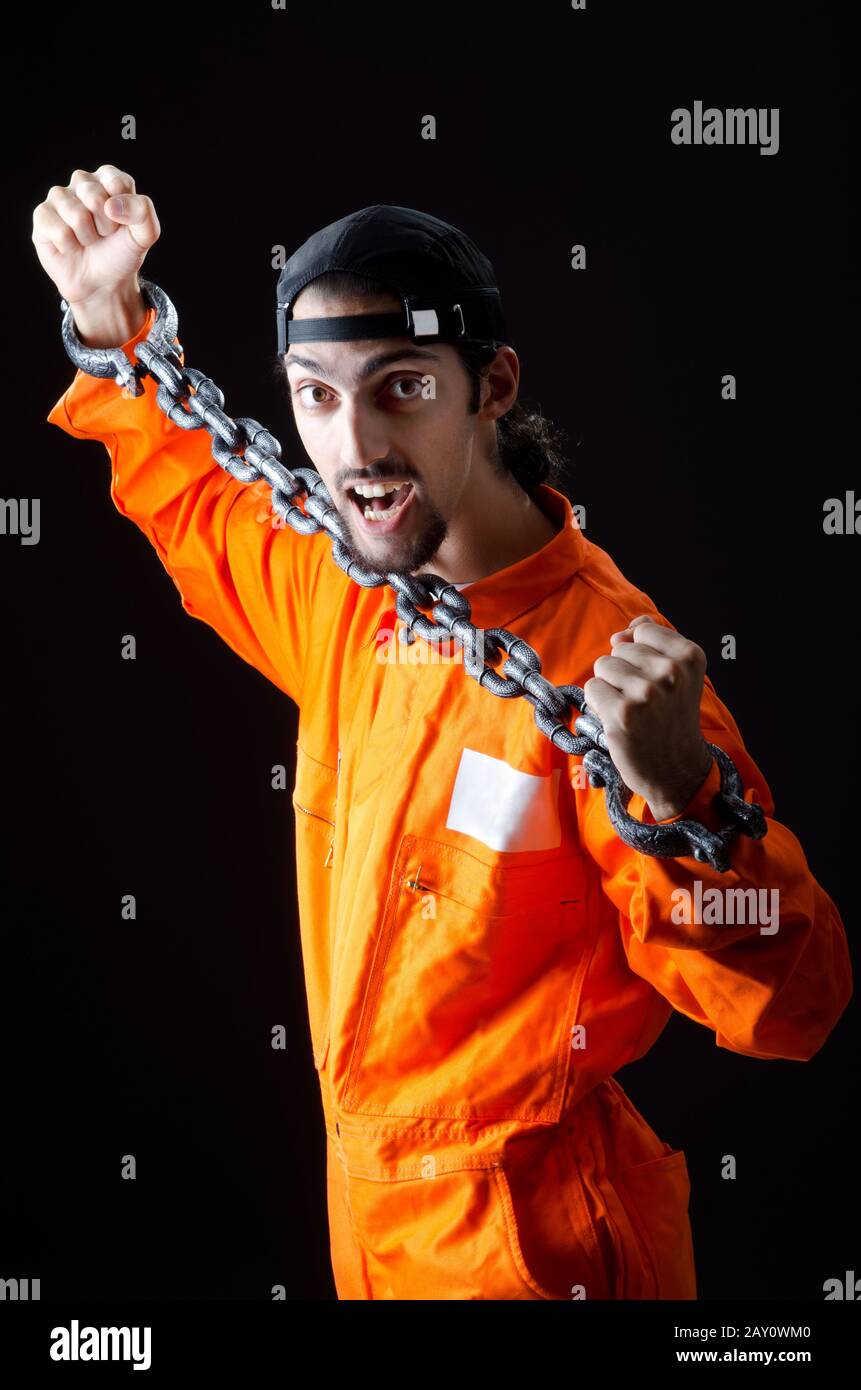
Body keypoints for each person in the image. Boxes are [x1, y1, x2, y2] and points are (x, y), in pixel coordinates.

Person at [34, 164, 853, 1300]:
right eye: (315, 395)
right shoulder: (347, 591)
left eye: (403, 387)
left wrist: (685, 803)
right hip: (371, 1241)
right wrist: (105, 317)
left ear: (493, 385)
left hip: (540, 1259)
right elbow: (195, 492)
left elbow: (797, 1003)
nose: (355, 443)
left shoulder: (606, 671)